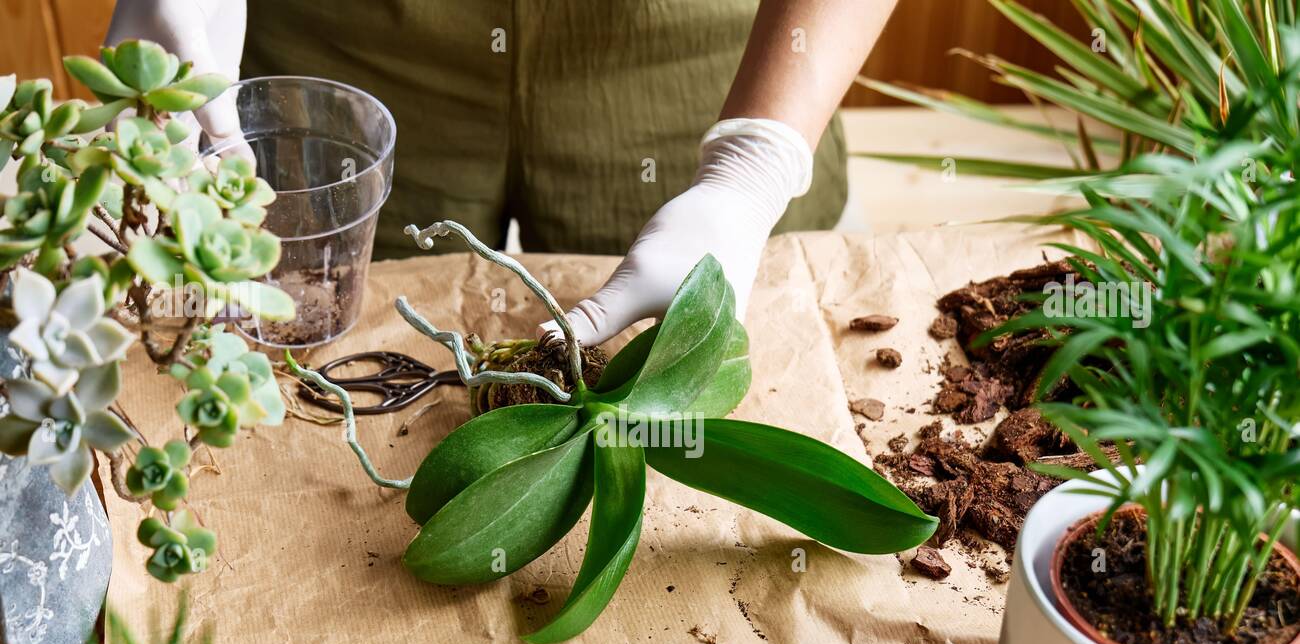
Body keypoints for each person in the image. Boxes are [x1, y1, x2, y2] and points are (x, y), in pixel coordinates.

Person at [105, 0, 897, 345]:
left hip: (707, 55)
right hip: (345, 52)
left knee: (717, 358)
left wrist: (755, 165)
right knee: (309, 334)